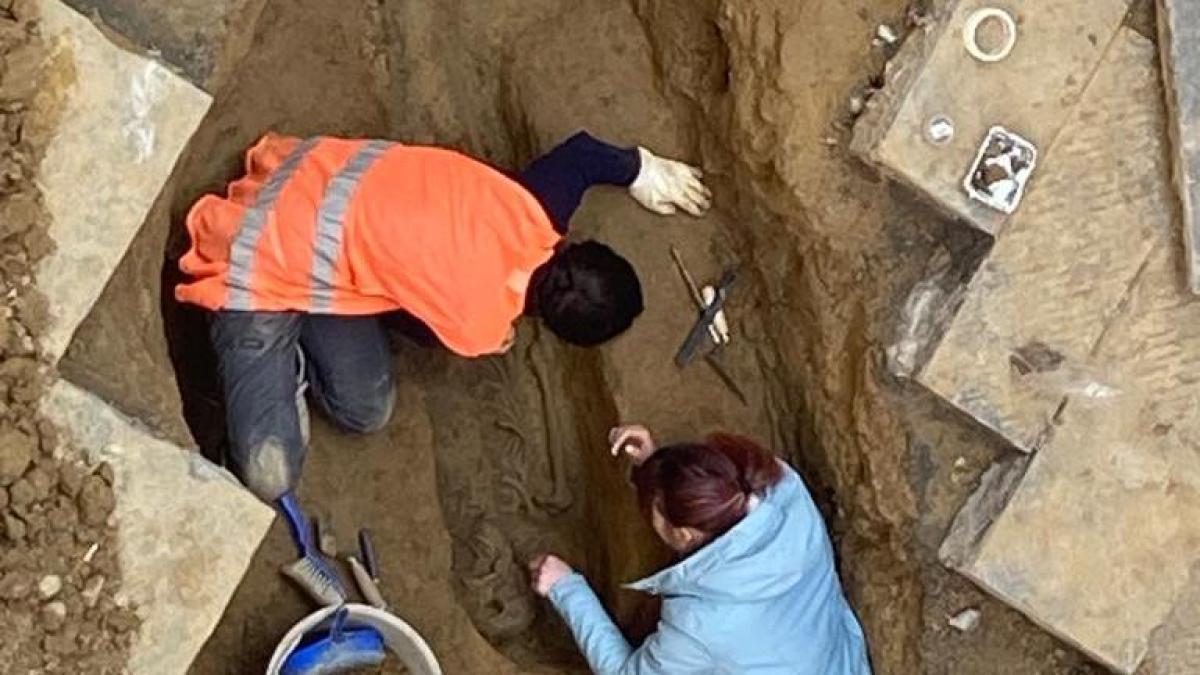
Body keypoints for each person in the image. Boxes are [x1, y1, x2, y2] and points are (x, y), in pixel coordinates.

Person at [174, 132, 711, 504]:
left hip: (314, 178)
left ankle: (291, 338)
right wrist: (479, 321)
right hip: (249, 258)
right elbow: (407, 321)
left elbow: (585, 154)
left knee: (369, 410)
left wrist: (640, 168)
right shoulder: (477, 327)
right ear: (550, 328)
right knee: (271, 476)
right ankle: (262, 358)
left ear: (578, 244)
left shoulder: (535, 204)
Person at [529, 425, 872, 675]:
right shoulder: (783, 488)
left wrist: (567, 588)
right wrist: (654, 463)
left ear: (683, 534)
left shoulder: (701, 623)